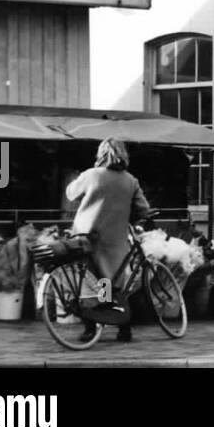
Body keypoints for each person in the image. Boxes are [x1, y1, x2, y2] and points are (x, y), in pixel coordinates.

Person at [66, 138, 152, 343]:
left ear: (101, 154)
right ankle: (123, 328)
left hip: (87, 237)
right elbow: (143, 209)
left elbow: (70, 194)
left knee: (90, 282)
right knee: (114, 283)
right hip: (115, 240)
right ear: (124, 155)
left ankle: (90, 328)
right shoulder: (130, 181)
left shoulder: (91, 175)